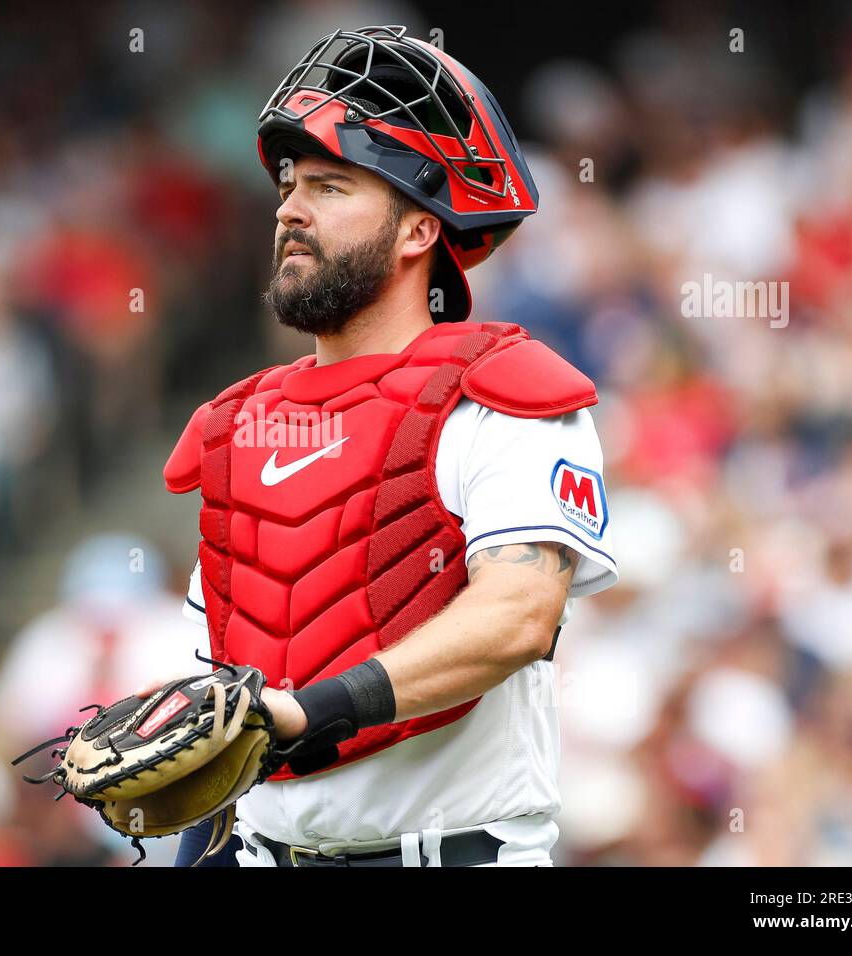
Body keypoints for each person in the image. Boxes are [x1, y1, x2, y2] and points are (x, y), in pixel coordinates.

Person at [164, 25, 617, 867]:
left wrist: (313, 710)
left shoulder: (504, 394)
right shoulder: (235, 426)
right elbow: (230, 692)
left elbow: (517, 617)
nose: (290, 208)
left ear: (418, 232)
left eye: (332, 188)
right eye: (291, 187)